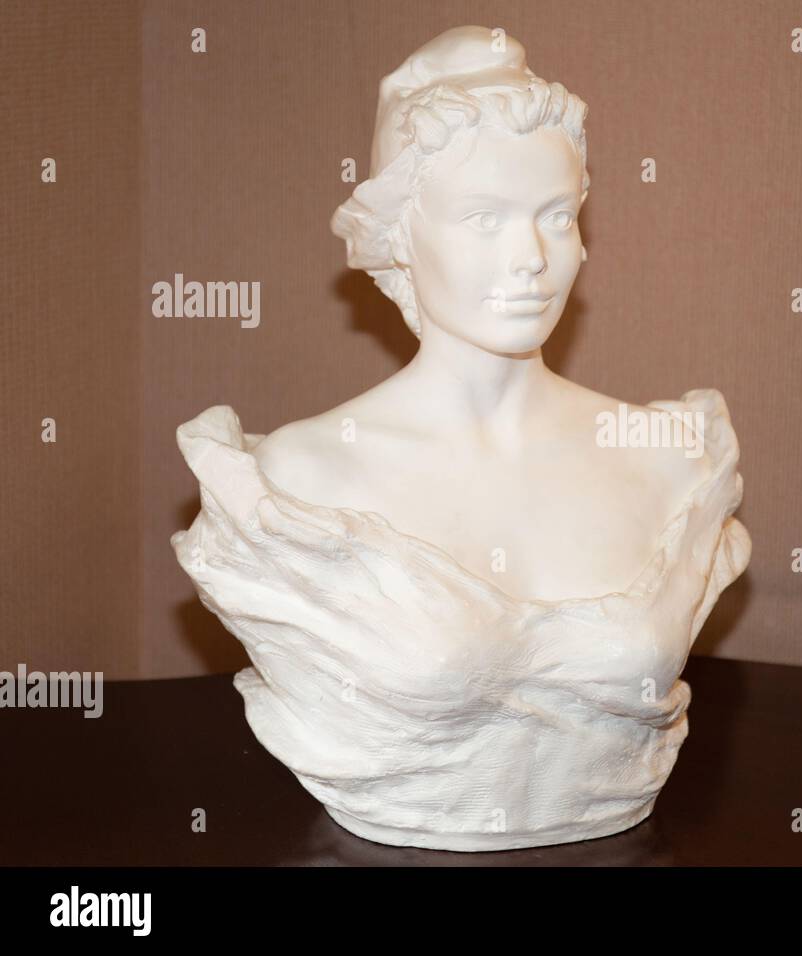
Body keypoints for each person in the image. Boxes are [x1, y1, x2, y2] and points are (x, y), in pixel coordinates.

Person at [172, 25, 750, 851]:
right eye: (484, 218)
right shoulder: (293, 480)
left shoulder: (666, 456)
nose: (531, 258)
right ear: (400, 234)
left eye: (557, 216)